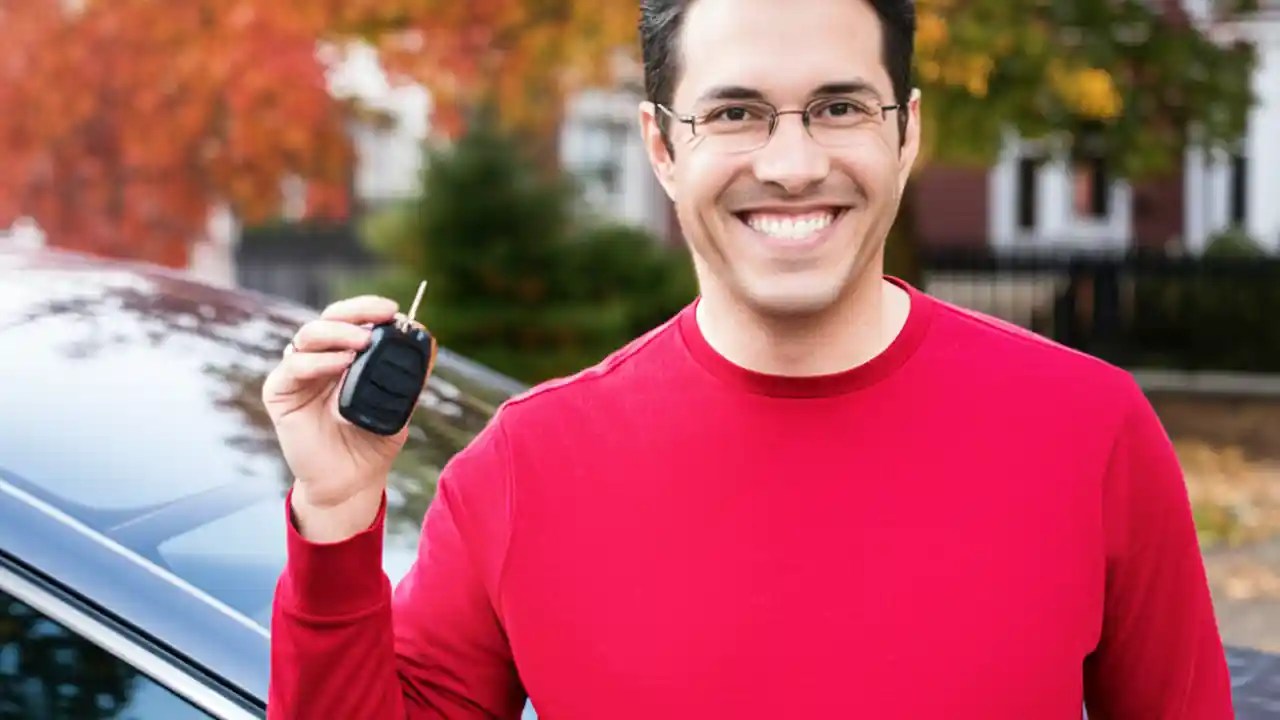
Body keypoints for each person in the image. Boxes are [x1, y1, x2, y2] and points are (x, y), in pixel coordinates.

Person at [262, 0, 1234, 717]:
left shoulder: (1088, 432)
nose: (792, 163)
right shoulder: (524, 468)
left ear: (907, 132)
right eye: (733, 114)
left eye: (839, 107)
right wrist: (337, 521)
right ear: (659, 147)